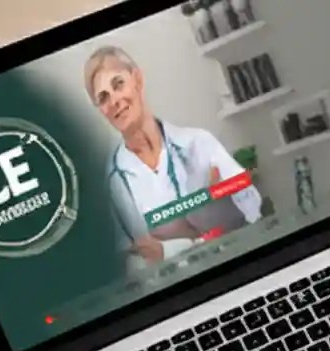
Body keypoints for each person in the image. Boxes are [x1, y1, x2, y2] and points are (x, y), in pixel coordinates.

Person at [85, 46, 262, 271]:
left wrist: (172, 242)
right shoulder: (112, 184)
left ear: (137, 79)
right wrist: (204, 225)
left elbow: (251, 206)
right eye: (103, 98)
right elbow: (136, 255)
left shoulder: (198, 142)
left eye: (118, 84)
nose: (115, 101)